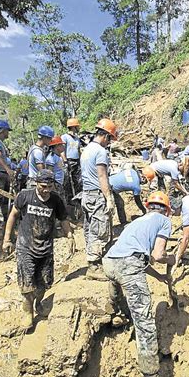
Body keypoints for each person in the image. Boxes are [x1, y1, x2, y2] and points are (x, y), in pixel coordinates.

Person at [102, 191, 180, 377]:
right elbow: (156, 254)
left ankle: (118, 311)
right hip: (128, 266)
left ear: (148, 207)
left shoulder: (139, 221)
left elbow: (138, 259)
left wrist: (160, 277)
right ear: (167, 210)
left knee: (119, 283)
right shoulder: (164, 221)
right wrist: (170, 259)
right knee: (146, 327)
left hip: (110, 263)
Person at [3, 169, 72, 330]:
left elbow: (63, 219)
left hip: (46, 248)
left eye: (49, 186)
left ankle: (38, 303)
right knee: (27, 283)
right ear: (36, 183)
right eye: (43, 186)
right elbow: (13, 215)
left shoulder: (56, 200)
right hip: (25, 246)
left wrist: (70, 236)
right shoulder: (25, 196)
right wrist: (7, 239)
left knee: (44, 282)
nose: (46, 190)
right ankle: (28, 313)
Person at [80, 118, 118, 280]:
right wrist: (109, 198)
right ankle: (94, 266)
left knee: (89, 229)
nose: (109, 143)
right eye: (110, 139)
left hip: (86, 194)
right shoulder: (101, 152)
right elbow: (102, 176)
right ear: (106, 136)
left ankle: (94, 260)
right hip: (97, 195)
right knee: (100, 230)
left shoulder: (87, 150)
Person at [61, 117, 82, 198]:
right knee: (68, 182)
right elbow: (62, 150)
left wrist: (81, 160)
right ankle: (69, 199)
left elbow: (78, 150)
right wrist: (65, 161)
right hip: (69, 161)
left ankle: (78, 196)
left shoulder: (77, 138)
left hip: (77, 161)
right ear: (73, 127)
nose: (78, 128)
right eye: (77, 126)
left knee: (78, 181)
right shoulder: (65, 137)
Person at [46, 135, 66, 200]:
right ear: (57, 146)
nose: (63, 147)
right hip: (55, 185)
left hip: (59, 184)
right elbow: (49, 173)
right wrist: (53, 187)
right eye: (61, 145)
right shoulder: (51, 158)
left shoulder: (58, 157)